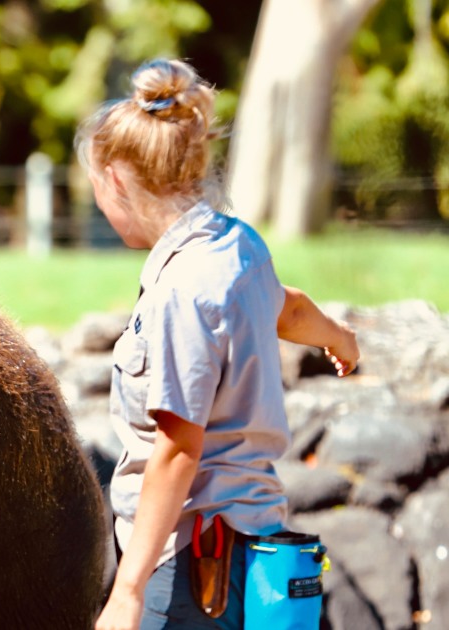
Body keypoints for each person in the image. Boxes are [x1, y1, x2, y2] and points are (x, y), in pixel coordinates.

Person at [76, 59, 361, 630]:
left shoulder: (181, 290)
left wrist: (128, 592)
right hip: (248, 548)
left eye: (96, 191)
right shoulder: (237, 245)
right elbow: (290, 307)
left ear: (116, 181)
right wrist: (341, 339)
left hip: (189, 567)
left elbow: (179, 447)